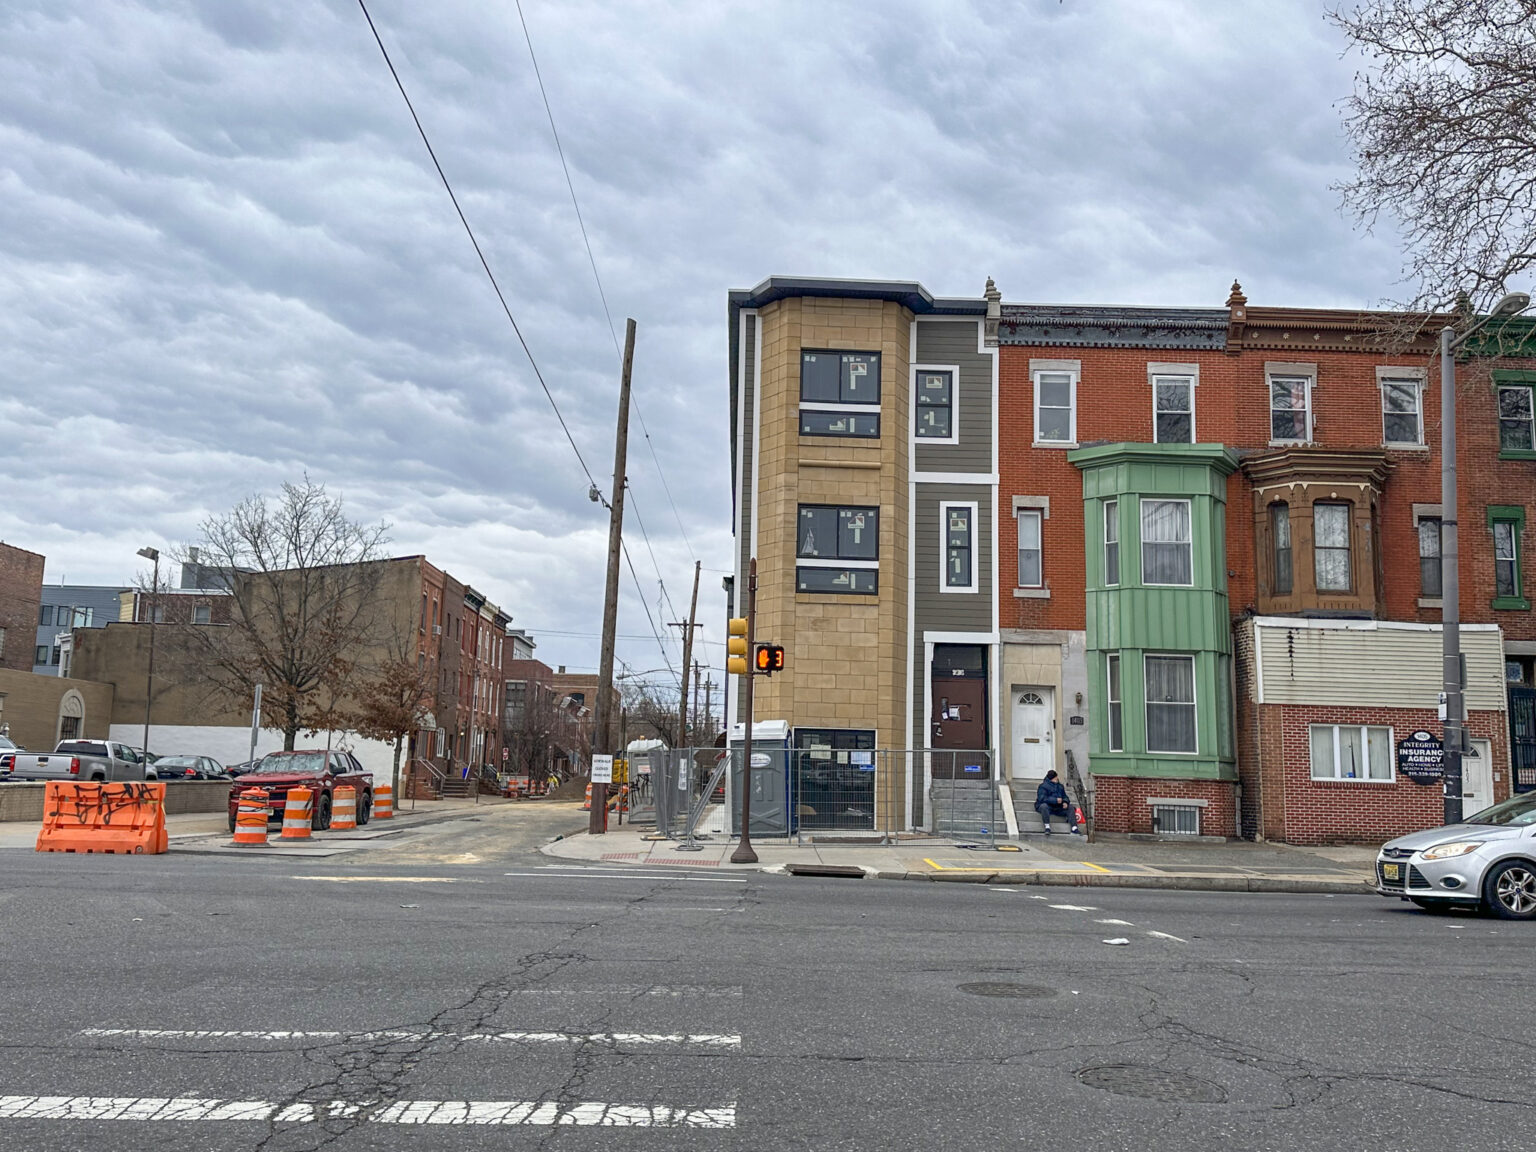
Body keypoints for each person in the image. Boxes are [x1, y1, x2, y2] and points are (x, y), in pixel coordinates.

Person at [1034, 770, 1079, 835]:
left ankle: (1074, 828)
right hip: (1048, 807)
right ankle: (1047, 827)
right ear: (1052, 778)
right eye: (1055, 777)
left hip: (1058, 807)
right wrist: (1055, 800)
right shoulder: (1043, 786)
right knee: (1044, 806)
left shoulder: (1060, 786)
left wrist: (1065, 802)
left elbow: (1065, 796)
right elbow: (1042, 798)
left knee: (1070, 807)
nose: (1057, 778)